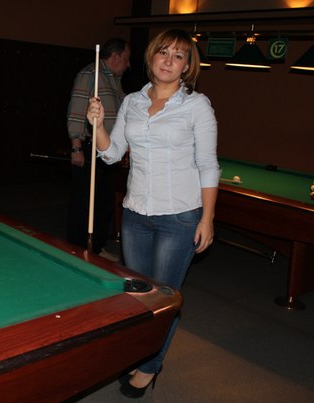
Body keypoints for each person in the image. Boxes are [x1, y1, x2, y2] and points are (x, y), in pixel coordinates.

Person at [87, 29, 219, 398]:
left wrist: (207, 219)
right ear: (151, 57)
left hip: (179, 217)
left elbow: (208, 166)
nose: (168, 61)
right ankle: (141, 354)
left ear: (187, 66)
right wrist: (98, 126)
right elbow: (112, 154)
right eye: (163, 52)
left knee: (163, 298)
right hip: (135, 214)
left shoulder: (197, 106)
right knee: (137, 295)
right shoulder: (132, 101)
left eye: (178, 56)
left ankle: (149, 366)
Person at [66, 38, 131, 259]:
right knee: (84, 203)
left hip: (109, 149)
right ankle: (76, 250)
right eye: (126, 58)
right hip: (89, 147)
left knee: (103, 202)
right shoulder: (90, 74)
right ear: (115, 56)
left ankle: (96, 248)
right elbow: (76, 110)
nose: (128, 64)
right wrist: (76, 147)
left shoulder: (114, 79)